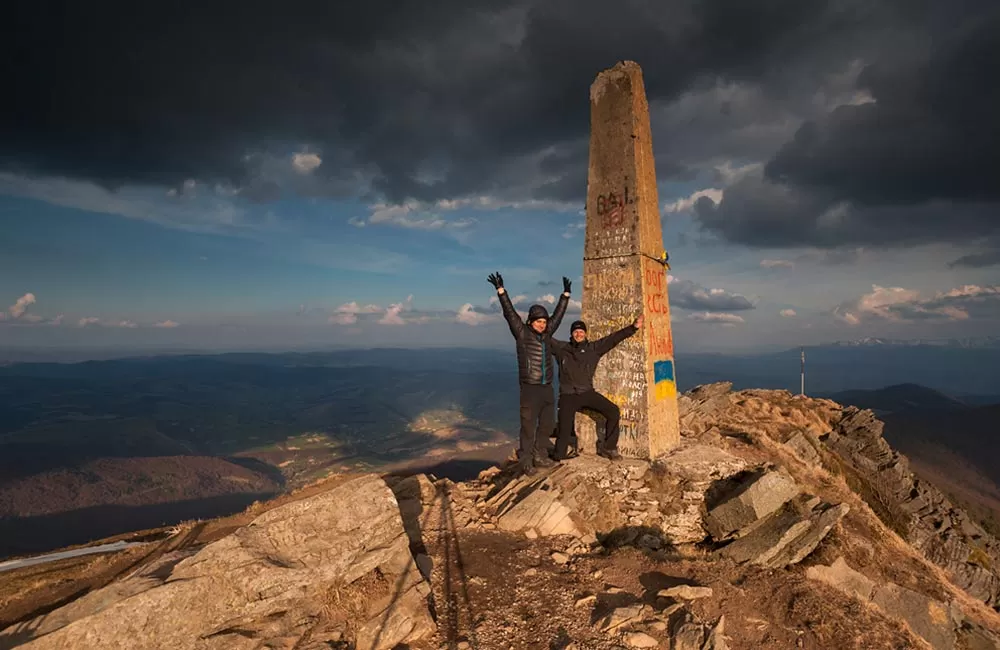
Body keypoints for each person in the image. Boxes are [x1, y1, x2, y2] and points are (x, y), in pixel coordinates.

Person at [487, 271, 571, 475]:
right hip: (529, 389)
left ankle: (540, 455)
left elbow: (557, 317)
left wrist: (565, 296)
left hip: (547, 388)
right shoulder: (522, 333)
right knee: (528, 426)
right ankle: (525, 461)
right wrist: (501, 291)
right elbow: (510, 313)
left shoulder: (547, 333)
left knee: (548, 424)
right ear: (530, 321)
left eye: (544, 321)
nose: (542, 324)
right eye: (538, 321)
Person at [550, 315, 643, 461]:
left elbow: (613, 339)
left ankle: (609, 448)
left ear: (585, 333)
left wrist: (633, 328)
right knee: (564, 425)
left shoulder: (593, 348)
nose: (578, 334)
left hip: (587, 393)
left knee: (613, 411)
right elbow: (543, 337)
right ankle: (559, 454)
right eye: (575, 331)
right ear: (571, 334)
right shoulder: (562, 349)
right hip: (568, 395)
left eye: (581, 331)